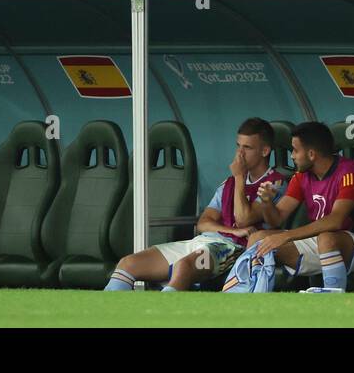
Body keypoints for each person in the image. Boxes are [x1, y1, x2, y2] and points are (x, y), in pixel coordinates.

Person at [105, 119, 287, 292]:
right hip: (203, 241)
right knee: (128, 263)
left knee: (183, 266)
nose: (239, 153)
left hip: (230, 249)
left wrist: (240, 177)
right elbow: (204, 222)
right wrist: (230, 229)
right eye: (238, 146)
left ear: (264, 151)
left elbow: (243, 219)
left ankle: (163, 317)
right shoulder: (229, 183)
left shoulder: (274, 184)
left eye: (247, 147)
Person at [229, 121, 354, 294]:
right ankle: (249, 297)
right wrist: (267, 203)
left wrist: (287, 236)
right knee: (258, 239)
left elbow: (335, 221)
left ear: (311, 154)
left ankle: (333, 298)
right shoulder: (301, 176)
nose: (292, 156)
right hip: (322, 241)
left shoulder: (349, 173)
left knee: (327, 238)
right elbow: (277, 218)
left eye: (295, 150)